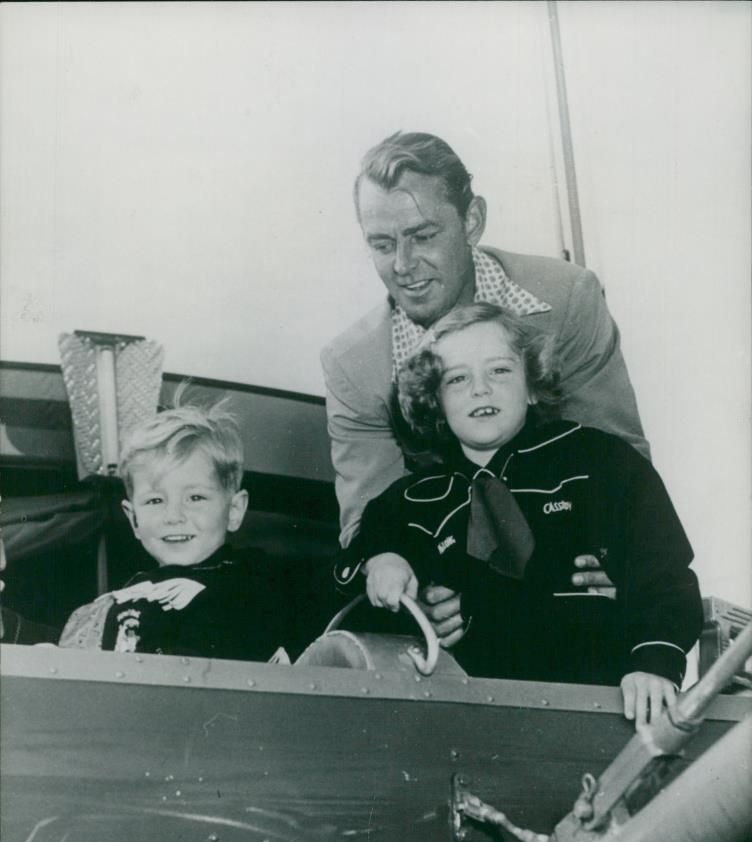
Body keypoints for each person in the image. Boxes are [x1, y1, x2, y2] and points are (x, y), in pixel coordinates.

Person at [321, 131, 647, 647]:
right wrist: (421, 589)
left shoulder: (569, 300)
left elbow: (621, 464)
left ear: (471, 221)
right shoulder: (352, 366)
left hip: (577, 591)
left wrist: (623, 560)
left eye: (423, 235)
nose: (403, 265)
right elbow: (369, 522)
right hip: (461, 606)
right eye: (383, 244)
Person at [334, 304, 703, 726]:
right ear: (434, 402)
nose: (480, 390)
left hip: (599, 704)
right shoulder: (408, 501)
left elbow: (665, 573)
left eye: (500, 371)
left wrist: (656, 664)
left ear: (532, 384)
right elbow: (359, 569)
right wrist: (384, 560)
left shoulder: (601, 463)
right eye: (457, 379)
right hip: (465, 719)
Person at [59, 399, 291, 661]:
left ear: (234, 510)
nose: (174, 516)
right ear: (133, 518)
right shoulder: (119, 599)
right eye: (155, 501)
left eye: (195, 498)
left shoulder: (249, 588)